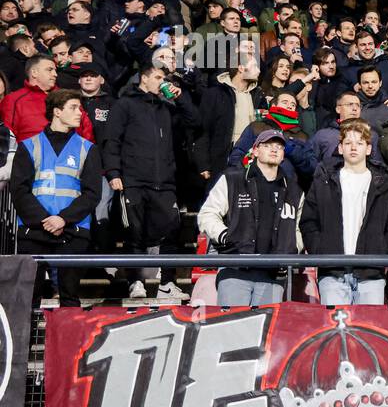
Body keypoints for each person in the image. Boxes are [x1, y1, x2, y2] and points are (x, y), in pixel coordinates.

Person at [102, 64, 201, 301]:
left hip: (164, 181)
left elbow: (195, 122)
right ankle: (135, 281)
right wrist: (114, 172)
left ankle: (167, 282)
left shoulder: (168, 107)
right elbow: (111, 140)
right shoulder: (125, 104)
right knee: (133, 233)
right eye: (157, 77)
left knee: (171, 230)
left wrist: (181, 97)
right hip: (133, 180)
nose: (162, 81)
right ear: (143, 79)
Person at [301, 119, 388, 306]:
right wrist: (320, 250)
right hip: (332, 272)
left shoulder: (384, 183)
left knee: (367, 333)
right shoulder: (323, 180)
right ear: (340, 148)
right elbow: (309, 221)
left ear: (368, 148)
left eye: (359, 143)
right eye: (348, 143)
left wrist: (383, 250)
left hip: (371, 274)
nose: (353, 147)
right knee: (335, 332)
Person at [11, 89, 102, 306]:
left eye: (79, 108)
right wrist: (45, 220)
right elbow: (19, 189)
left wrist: (63, 219)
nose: (79, 113)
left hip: (72, 230)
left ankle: (67, 340)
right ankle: (26, 340)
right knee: (29, 298)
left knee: (69, 297)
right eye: (73, 108)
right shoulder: (29, 146)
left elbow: (92, 193)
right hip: (34, 230)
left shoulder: (87, 148)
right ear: (57, 112)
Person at [197, 129, 303, 306]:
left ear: (284, 154)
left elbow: (299, 227)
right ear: (255, 150)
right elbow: (207, 214)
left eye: (279, 146)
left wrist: (292, 248)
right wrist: (225, 236)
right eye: (267, 145)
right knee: (233, 329)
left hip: (273, 274)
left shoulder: (294, 190)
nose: (274, 149)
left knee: (266, 331)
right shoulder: (233, 179)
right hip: (235, 269)